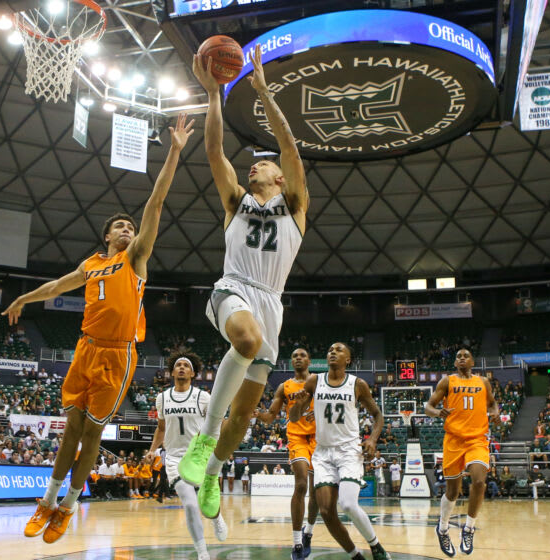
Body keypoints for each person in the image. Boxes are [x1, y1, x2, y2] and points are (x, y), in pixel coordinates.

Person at [7, 114, 194, 544]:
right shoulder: (91, 264)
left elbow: (155, 205)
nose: (128, 229)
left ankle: (68, 506)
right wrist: (23, 299)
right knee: (70, 431)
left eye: (131, 227)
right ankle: (47, 501)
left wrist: (174, 152)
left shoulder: (136, 258)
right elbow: (56, 286)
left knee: (92, 433)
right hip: (85, 348)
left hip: (117, 352)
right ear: (107, 235)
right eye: (121, 226)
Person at [178, 42, 308, 524]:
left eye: (264, 164)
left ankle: (212, 471)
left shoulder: (294, 207)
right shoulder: (236, 201)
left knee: (246, 415)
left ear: (280, 178)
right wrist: (213, 93)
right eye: (253, 163)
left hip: (271, 304)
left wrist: (264, 93)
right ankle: (205, 436)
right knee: (247, 342)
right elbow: (214, 150)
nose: (255, 165)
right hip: (233, 287)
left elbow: (290, 148)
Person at [289, 343, 391, 560]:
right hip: (323, 453)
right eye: (330, 350)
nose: (333, 352)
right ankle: (355, 555)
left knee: (347, 504)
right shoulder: (314, 381)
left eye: (339, 350)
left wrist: (372, 439)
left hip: (349, 451)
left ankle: (376, 547)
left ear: (348, 359)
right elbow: (294, 418)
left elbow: (377, 415)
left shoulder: (357, 384)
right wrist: (298, 405)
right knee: (326, 511)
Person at [147, 353, 227, 560]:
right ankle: (202, 553)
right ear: (172, 372)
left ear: (193, 373)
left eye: (186, 365)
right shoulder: (162, 398)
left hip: (200, 456)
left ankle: (216, 517)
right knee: (190, 504)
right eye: (178, 365)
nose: (181, 368)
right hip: (174, 459)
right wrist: (152, 450)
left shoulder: (203, 397)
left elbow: (218, 423)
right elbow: (161, 428)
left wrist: (221, 445)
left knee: (207, 500)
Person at [425, 348, 499, 557]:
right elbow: (428, 407)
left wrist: (495, 412)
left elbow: (492, 403)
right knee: (453, 491)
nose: (462, 358)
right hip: (454, 440)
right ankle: (442, 529)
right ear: (455, 363)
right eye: (459, 356)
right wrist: (438, 412)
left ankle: (469, 529)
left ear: (473, 362)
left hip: (477, 439)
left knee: (479, 481)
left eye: (466, 356)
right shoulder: (447, 382)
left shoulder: (483, 382)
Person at [255, 347, 319, 558]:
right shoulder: (285, 387)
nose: (298, 358)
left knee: (316, 491)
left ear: (309, 360)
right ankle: (297, 542)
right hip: (297, 437)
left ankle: (309, 532)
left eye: (302, 355)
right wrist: (257, 414)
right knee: (301, 485)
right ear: (291, 362)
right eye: (295, 356)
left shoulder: (319, 382)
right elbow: (270, 417)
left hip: (319, 438)